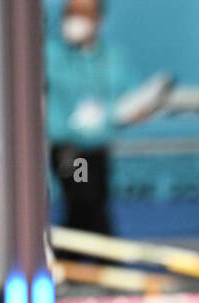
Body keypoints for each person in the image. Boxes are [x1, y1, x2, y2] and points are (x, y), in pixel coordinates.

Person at [46, 0, 165, 237]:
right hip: (69, 152)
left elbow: (132, 98)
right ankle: (96, 263)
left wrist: (136, 111)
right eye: (70, 13)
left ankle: (89, 264)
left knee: (92, 208)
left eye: (83, 13)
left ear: (98, 19)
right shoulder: (48, 55)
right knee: (84, 203)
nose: (75, 20)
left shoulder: (113, 57)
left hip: (97, 149)